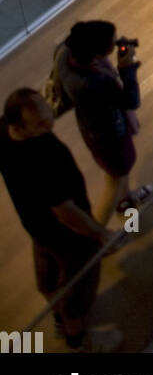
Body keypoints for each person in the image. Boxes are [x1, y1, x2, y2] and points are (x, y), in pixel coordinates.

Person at [0, 89, 116, 351]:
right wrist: (99, 234)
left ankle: (59, 318)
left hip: (36, 226)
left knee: (48, 278)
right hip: (70, 237)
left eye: (47, 113)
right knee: (78, 292)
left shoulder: (3, 131)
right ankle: (78, 340)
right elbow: (67, 214)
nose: (50, 123)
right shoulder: (47, 156)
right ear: (19, 126)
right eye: (41, 123)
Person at [57, 21, 151, 223]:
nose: (117, 42)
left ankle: (128, 208)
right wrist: (127, 69)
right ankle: (98, 240)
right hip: (110, 139)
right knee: (114, 182)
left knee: (120, 175)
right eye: (112, 41)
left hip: (93, 130)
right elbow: (131, 101)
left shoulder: (65, 55)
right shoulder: (94, 82)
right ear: (98, 53)